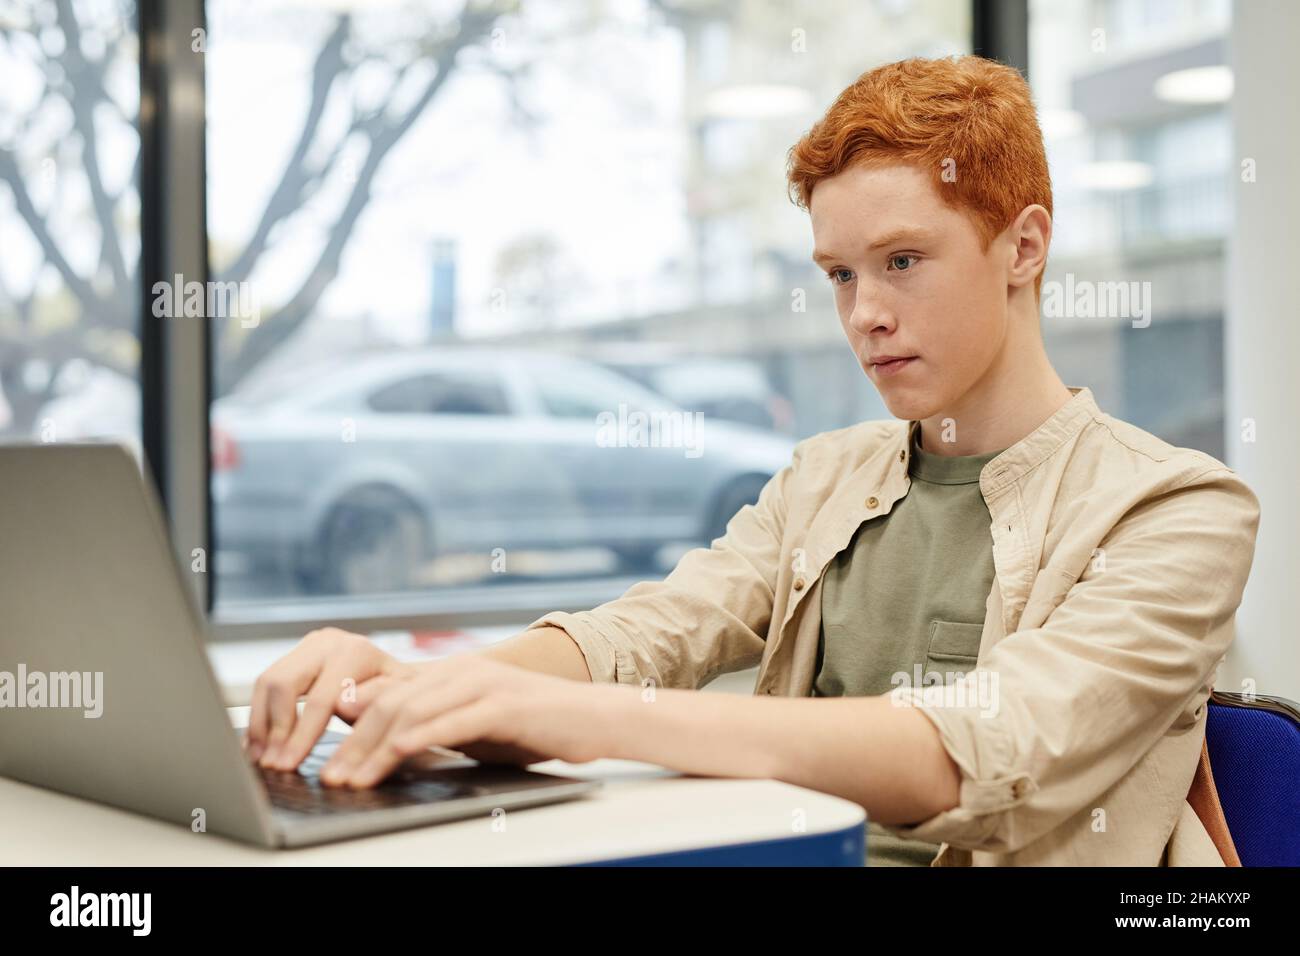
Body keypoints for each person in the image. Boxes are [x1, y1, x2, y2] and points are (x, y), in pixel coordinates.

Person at [242, 55, 1260, 866]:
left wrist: (582, 718)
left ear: (1024, 247)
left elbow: (978, 750)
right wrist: (418, 681)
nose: (864, 313)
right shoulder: (826, 474)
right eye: (839, 273)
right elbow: (645, 632)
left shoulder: (1180, 509)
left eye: (903, 260)